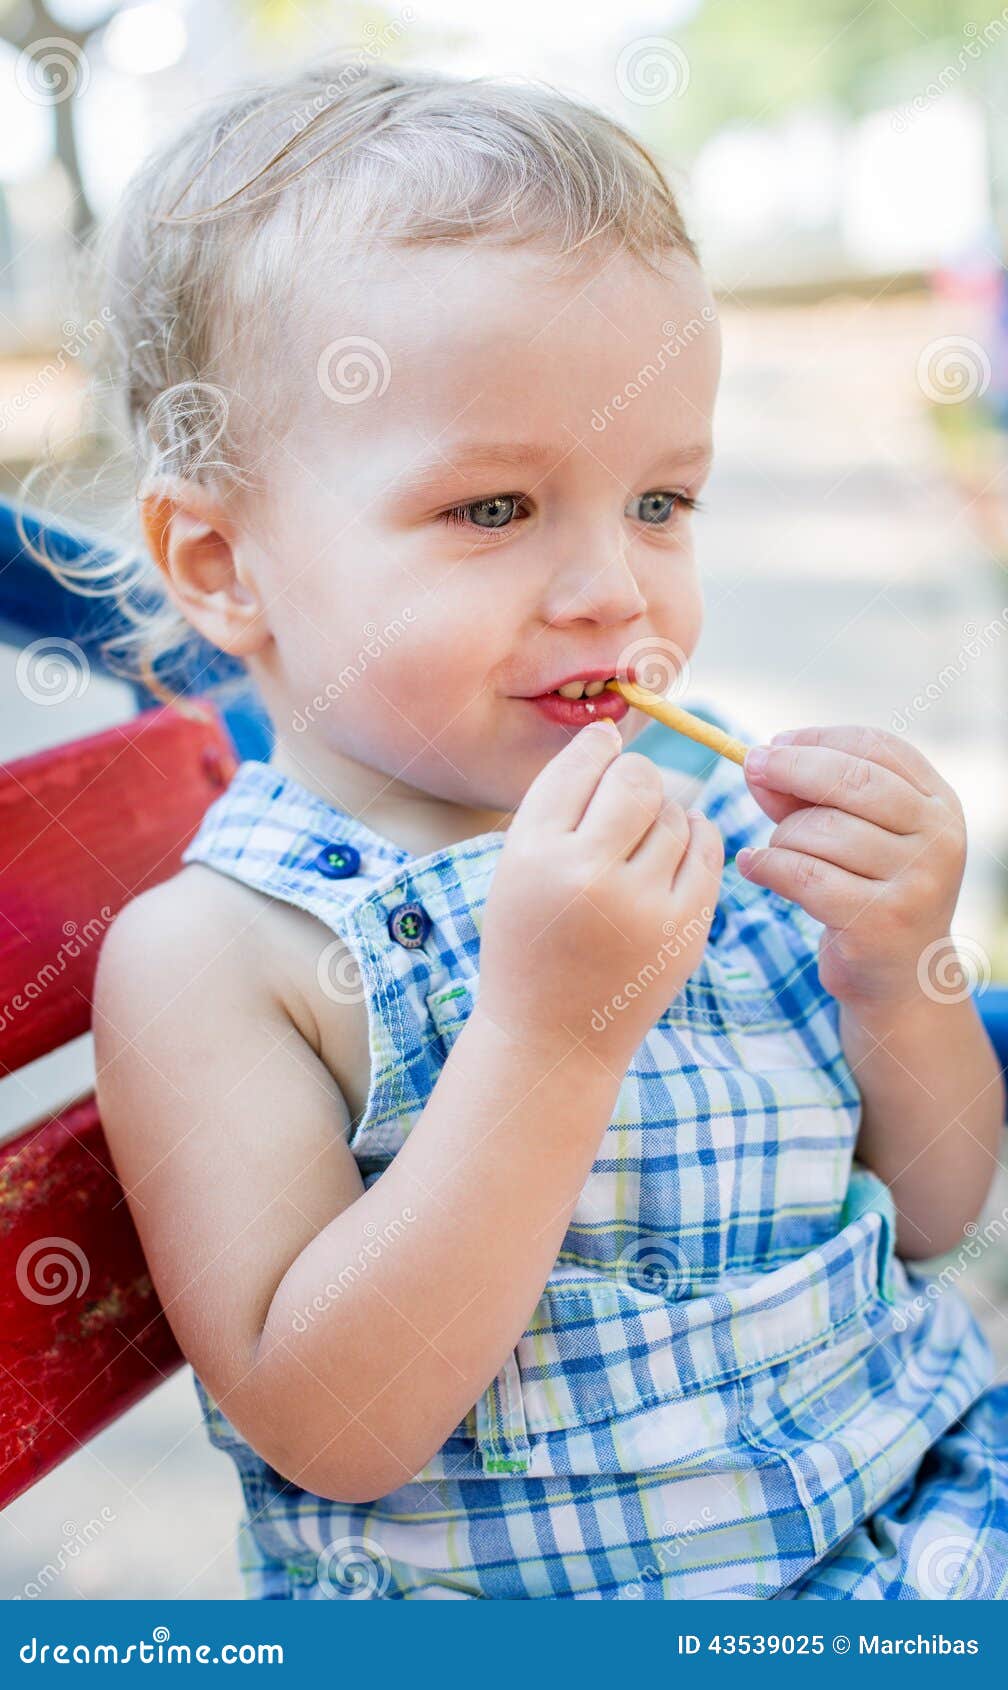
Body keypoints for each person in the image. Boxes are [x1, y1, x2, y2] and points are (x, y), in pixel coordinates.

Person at [54, 58, 1006, 1599]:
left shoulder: (700, 817)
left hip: (929, 1509)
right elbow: (334, 1426)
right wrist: (549, 1041)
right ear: (223, 564)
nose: (613, 591)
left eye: (661, 503)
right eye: (493, 510)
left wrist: (902, 970)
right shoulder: (225, 955)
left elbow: (936, 1209)